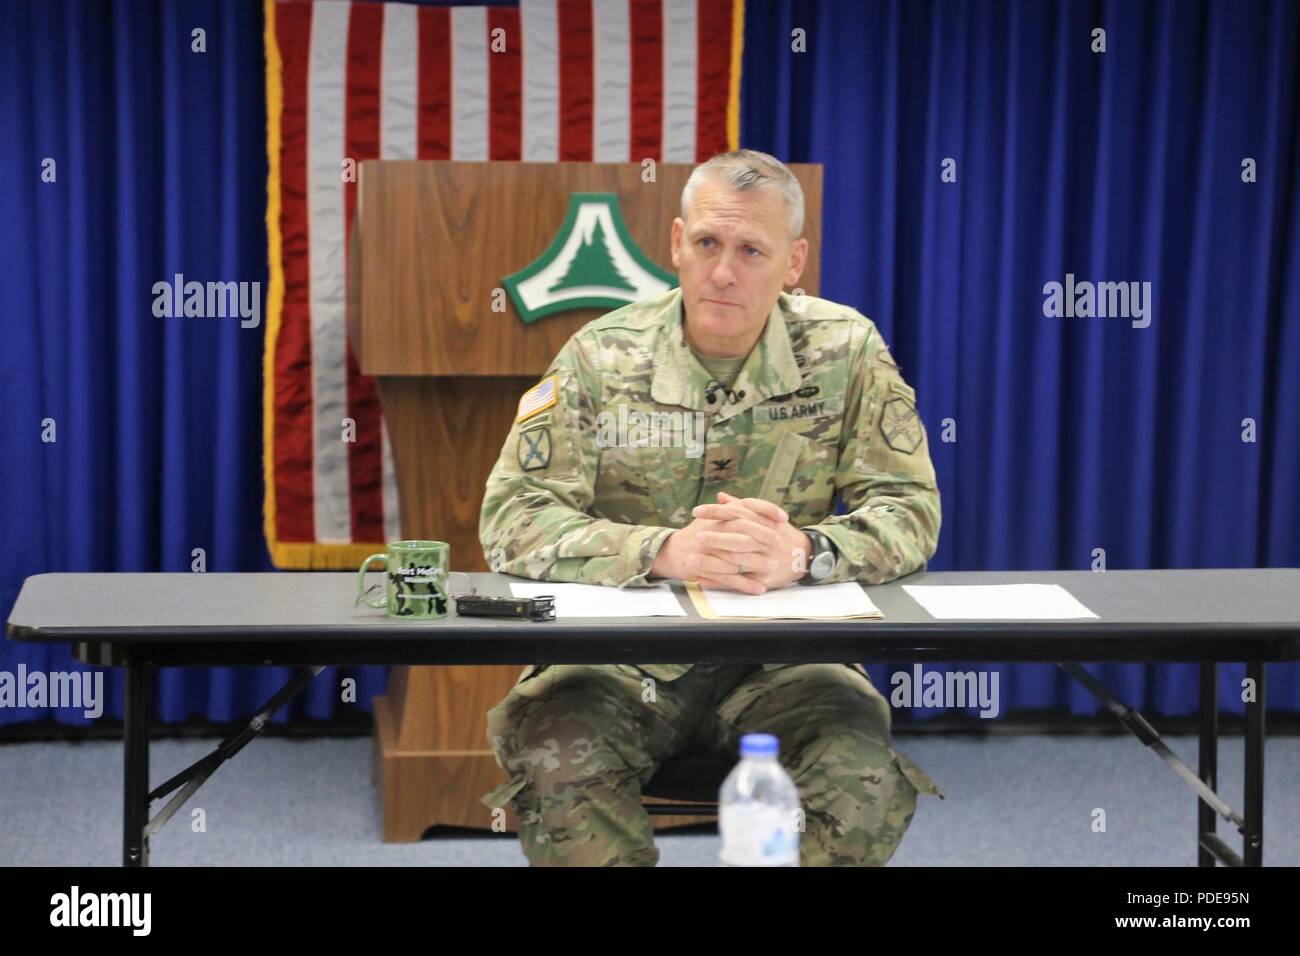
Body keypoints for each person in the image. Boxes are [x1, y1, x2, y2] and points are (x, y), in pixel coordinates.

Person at [478, 149, 942, 866]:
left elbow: (910, 509)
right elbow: (511, 517)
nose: (723, 271)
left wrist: (806, 552)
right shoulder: (601, 356)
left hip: (786, 663)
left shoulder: (845, 351)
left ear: (794, 262)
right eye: (706, 244)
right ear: (675, 244)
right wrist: (660, 553)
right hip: (616, 664)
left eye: (752, 250)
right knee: (557, 759)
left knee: (864, 780)